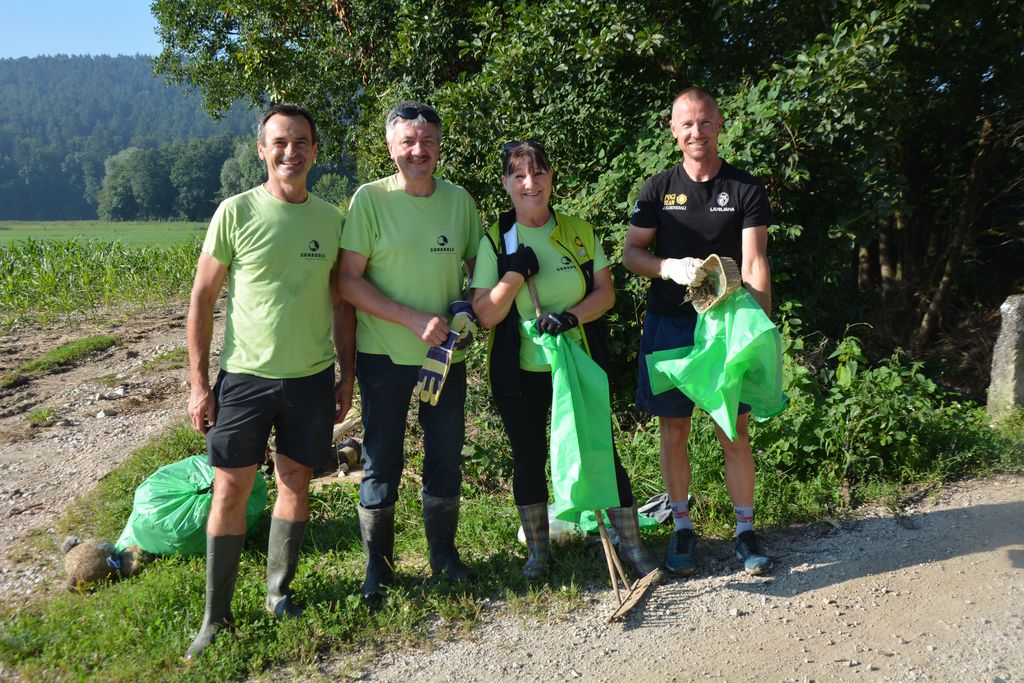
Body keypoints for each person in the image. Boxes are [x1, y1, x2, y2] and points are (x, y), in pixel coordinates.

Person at [184, 103, 354, 659]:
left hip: (309, 379)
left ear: (314, 150)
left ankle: (278, 595)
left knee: (296, 483)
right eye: (279, 142)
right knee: (230, 488)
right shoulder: (235, 212)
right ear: (261, 149)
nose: (290, 151)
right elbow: (203, 298)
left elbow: (340, 302)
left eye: (301, 141)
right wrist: (198, 383)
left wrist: (346, 371)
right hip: (246, 380)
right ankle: (215, 616)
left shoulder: (332, 220)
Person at [472, 139, 665, 583]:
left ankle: (633, 546)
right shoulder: (496, 241)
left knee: (601, 449)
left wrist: (572, 316)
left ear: (551, 177)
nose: (530, 183)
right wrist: (514, 271)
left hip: (577, 364)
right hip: (520, 371)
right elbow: (485, 314)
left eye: (538, 173)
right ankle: (539, 554)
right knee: (528, 456)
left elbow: (606, 294)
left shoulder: (578, 231)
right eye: (519, 175)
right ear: (505, 183)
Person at [622, 87, 774, 577]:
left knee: (734, 429)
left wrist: (763, 332)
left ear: (720, 124)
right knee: (673, 428)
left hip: (726, 325)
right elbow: (631, 255)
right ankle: (682, 526)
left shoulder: (746, 189)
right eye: (687, 124)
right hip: (670, 323)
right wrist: (668, 268)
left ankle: (745, 532)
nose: (696, 132)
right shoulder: (657, 189)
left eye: (705, 122)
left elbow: (754, 262)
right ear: (673, 130)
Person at [338, 101, 482, 605]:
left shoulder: (460, 201)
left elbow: (479, 267)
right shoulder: (369, 200)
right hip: (384, 357)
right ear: (391, 146)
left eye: (427, 142)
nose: (418, 151)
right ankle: (378, 569)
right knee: (381, 461)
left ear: (439, 145)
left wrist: (471, 312)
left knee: (445, 460)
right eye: (408, 142)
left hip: (446, 361)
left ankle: (444, 557)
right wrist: (411, 318)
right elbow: (347, 283)